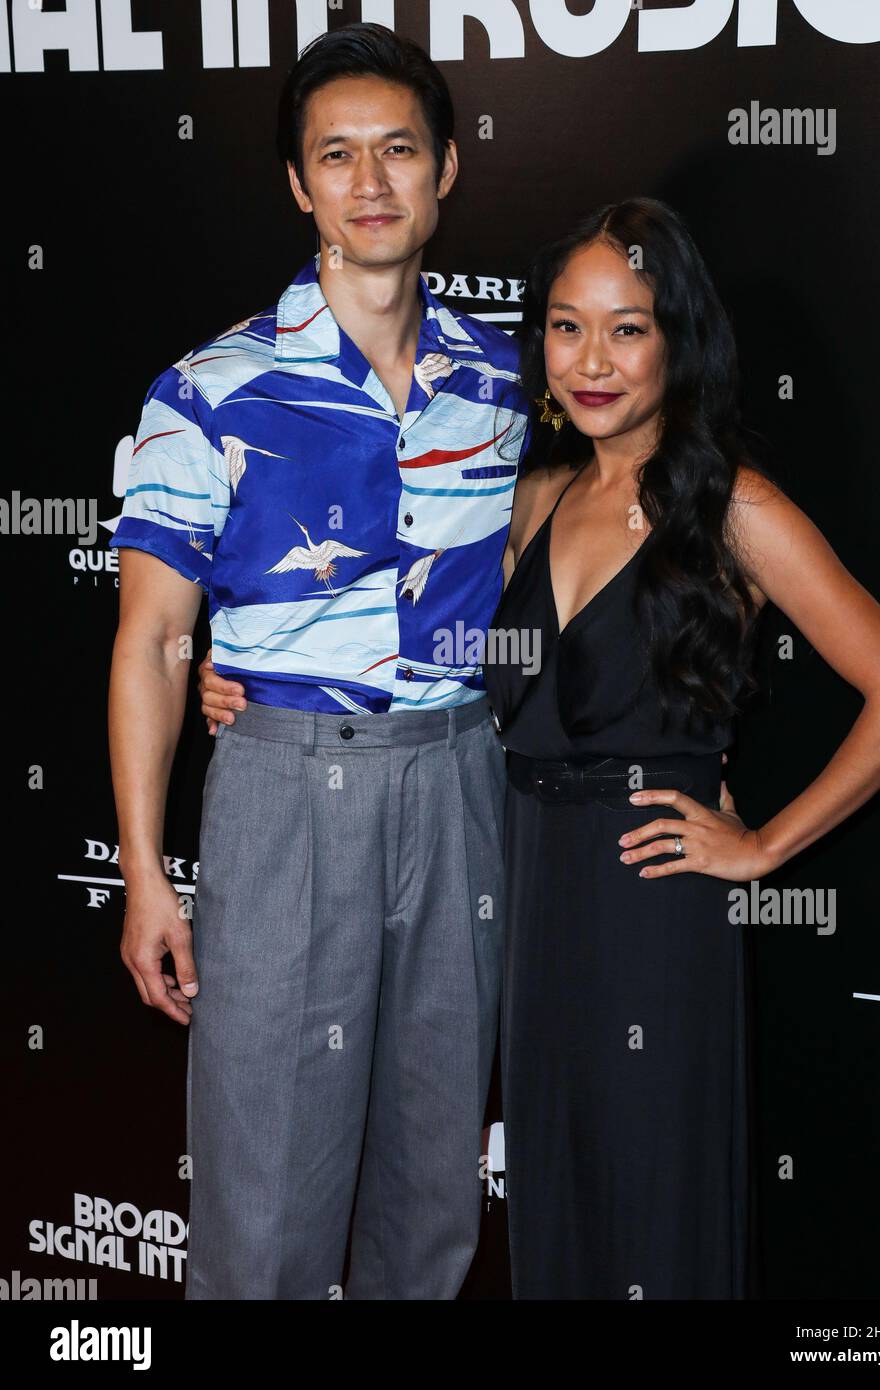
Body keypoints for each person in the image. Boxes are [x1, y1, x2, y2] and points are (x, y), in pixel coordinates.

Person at [205, 196, 880, 1300]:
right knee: (557, 1197)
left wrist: (764, 844)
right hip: (528, 891)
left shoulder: (737, 508)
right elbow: (412, 629)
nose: (591, 359)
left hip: (655, 908)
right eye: (565, 326)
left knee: (653, 1199)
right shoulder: (533, 496)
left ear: (677, 339)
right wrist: (255, 678)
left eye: (627, 327)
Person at [108, 23, 531, 1300]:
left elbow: (601, 552)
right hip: (288, 794)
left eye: (398, 149)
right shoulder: (211, 391)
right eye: (335, 156)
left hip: (462, 786)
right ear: (301, 185)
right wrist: (144, 870)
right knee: (267, 1204)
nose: (370, 182)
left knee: (432, 1196)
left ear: (446, 167)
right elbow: (149, 642)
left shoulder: (510, 379)